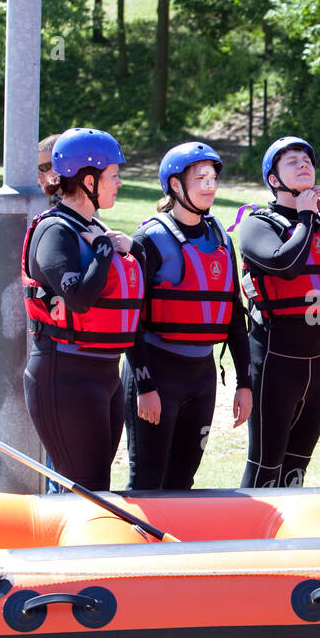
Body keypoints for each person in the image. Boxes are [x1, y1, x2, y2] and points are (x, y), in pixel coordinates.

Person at [123, 142, 252, 490]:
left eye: (213, 178)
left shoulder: (221, 238)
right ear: (176, 186)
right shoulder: (149, 238)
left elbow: (235, 318)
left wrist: (245, 383)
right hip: (157, 371)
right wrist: (145, 385)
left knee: (183, 479)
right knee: (148, 479)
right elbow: (130, 320)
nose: (210, 185)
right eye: (200, 178)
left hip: (201, 376)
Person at [21, 127, 141, 491]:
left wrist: (122, 246)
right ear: (89, 180)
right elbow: (77, 297)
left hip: (104, 374)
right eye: (114, 176)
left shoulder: (92, 226)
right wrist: (105, 250)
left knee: (97, 488)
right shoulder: (55, 231)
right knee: (85, 492)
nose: (119, 183)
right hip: (65, 375)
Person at [238, 136, 320, 487]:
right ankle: (248, 538)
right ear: (273, 179)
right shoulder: (258, 223)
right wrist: (306, 214)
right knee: (265, 466)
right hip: (274, 357)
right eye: (292, 161)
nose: (304, 164)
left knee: (297, 469)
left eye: (307, 160)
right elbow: (285, 265)